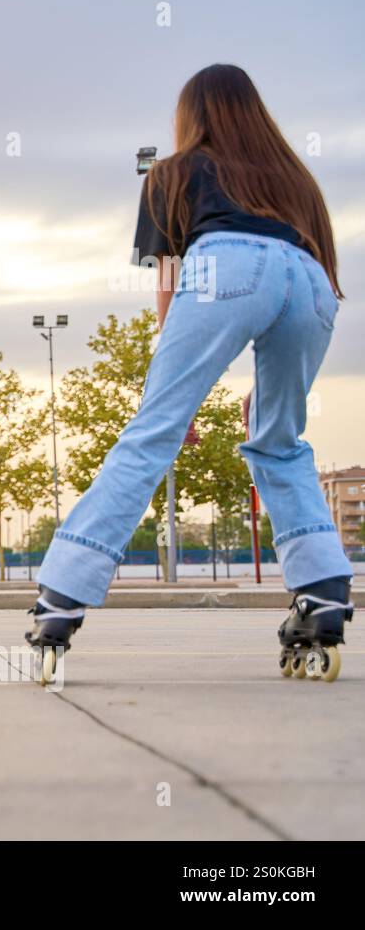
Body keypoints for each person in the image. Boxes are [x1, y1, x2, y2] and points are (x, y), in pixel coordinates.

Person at [28, 64, 353, 683]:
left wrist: (172, 399)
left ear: (191, 117)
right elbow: (315, 275)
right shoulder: (295, 177)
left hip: (223, 267)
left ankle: (61, 600)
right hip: (310, 286)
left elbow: (169, 279)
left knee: (152, 436)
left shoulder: (173, 172)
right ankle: (323, 590)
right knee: (279, 440)